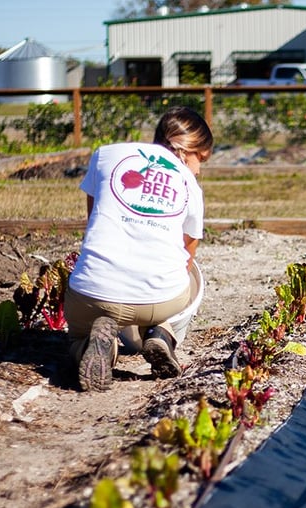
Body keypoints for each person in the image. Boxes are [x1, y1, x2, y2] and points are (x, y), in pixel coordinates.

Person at [65, 106, 213, 391]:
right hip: (159, 300)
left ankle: (92, 348)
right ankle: (161, 334)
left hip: (92, 293)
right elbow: (187, 256)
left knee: (76, 336)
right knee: (188, 279)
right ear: (188, 149)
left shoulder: (105, 155)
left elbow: (93, 224)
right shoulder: (190, 185)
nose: (199, 169)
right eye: (201, 159)